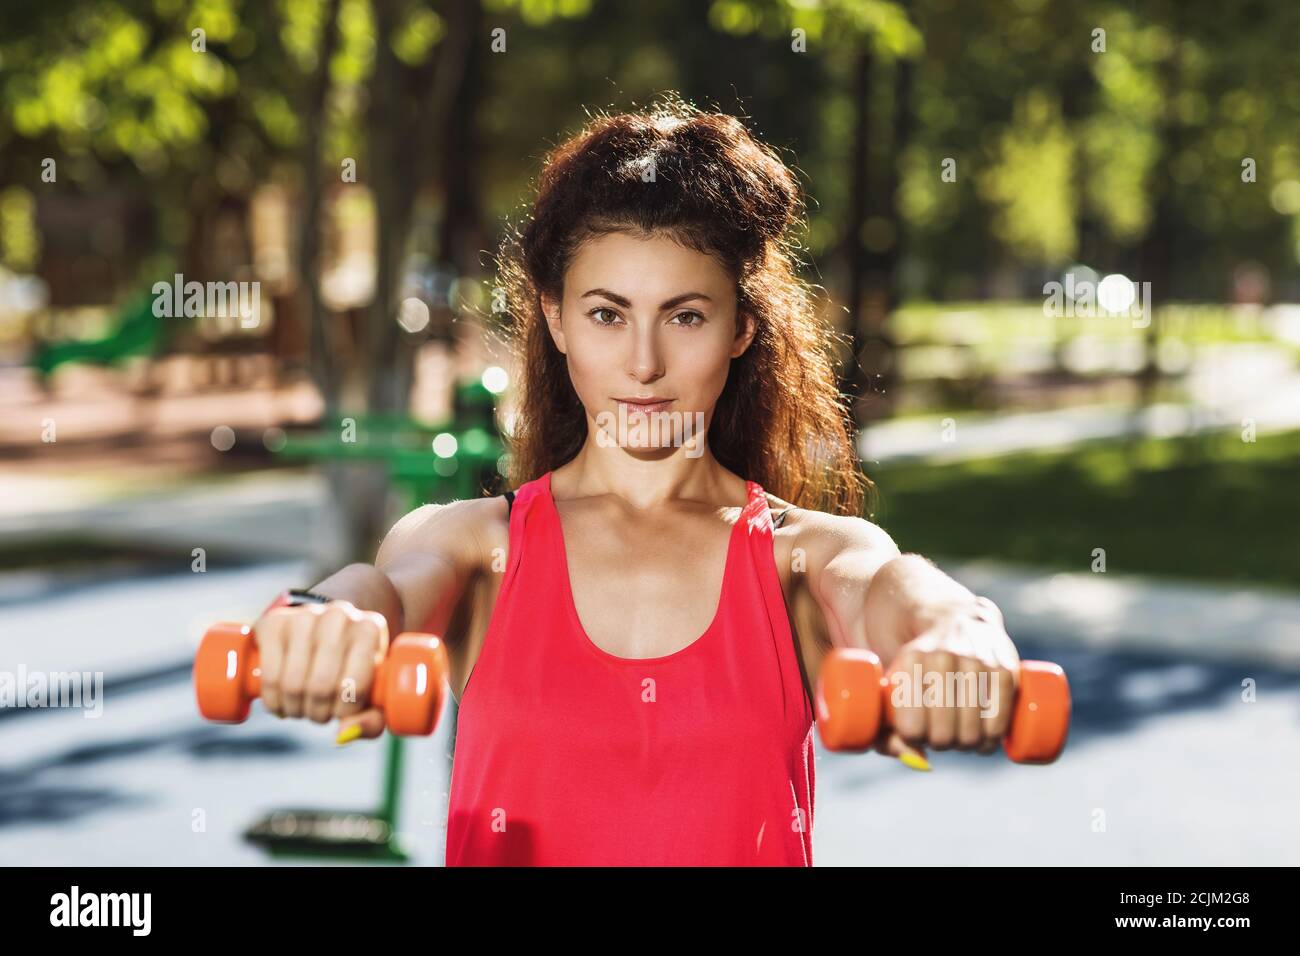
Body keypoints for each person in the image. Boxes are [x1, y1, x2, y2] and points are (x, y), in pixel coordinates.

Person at [252, 95, 1022, 866]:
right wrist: (324, 617)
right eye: (607, 315)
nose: (644, 364)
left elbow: (890, 588)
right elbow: (379, 596)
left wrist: (957, 626)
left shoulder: (806, 559)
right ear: (555, 320)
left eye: (685, 316)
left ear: (740, 329)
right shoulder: (469, 547)